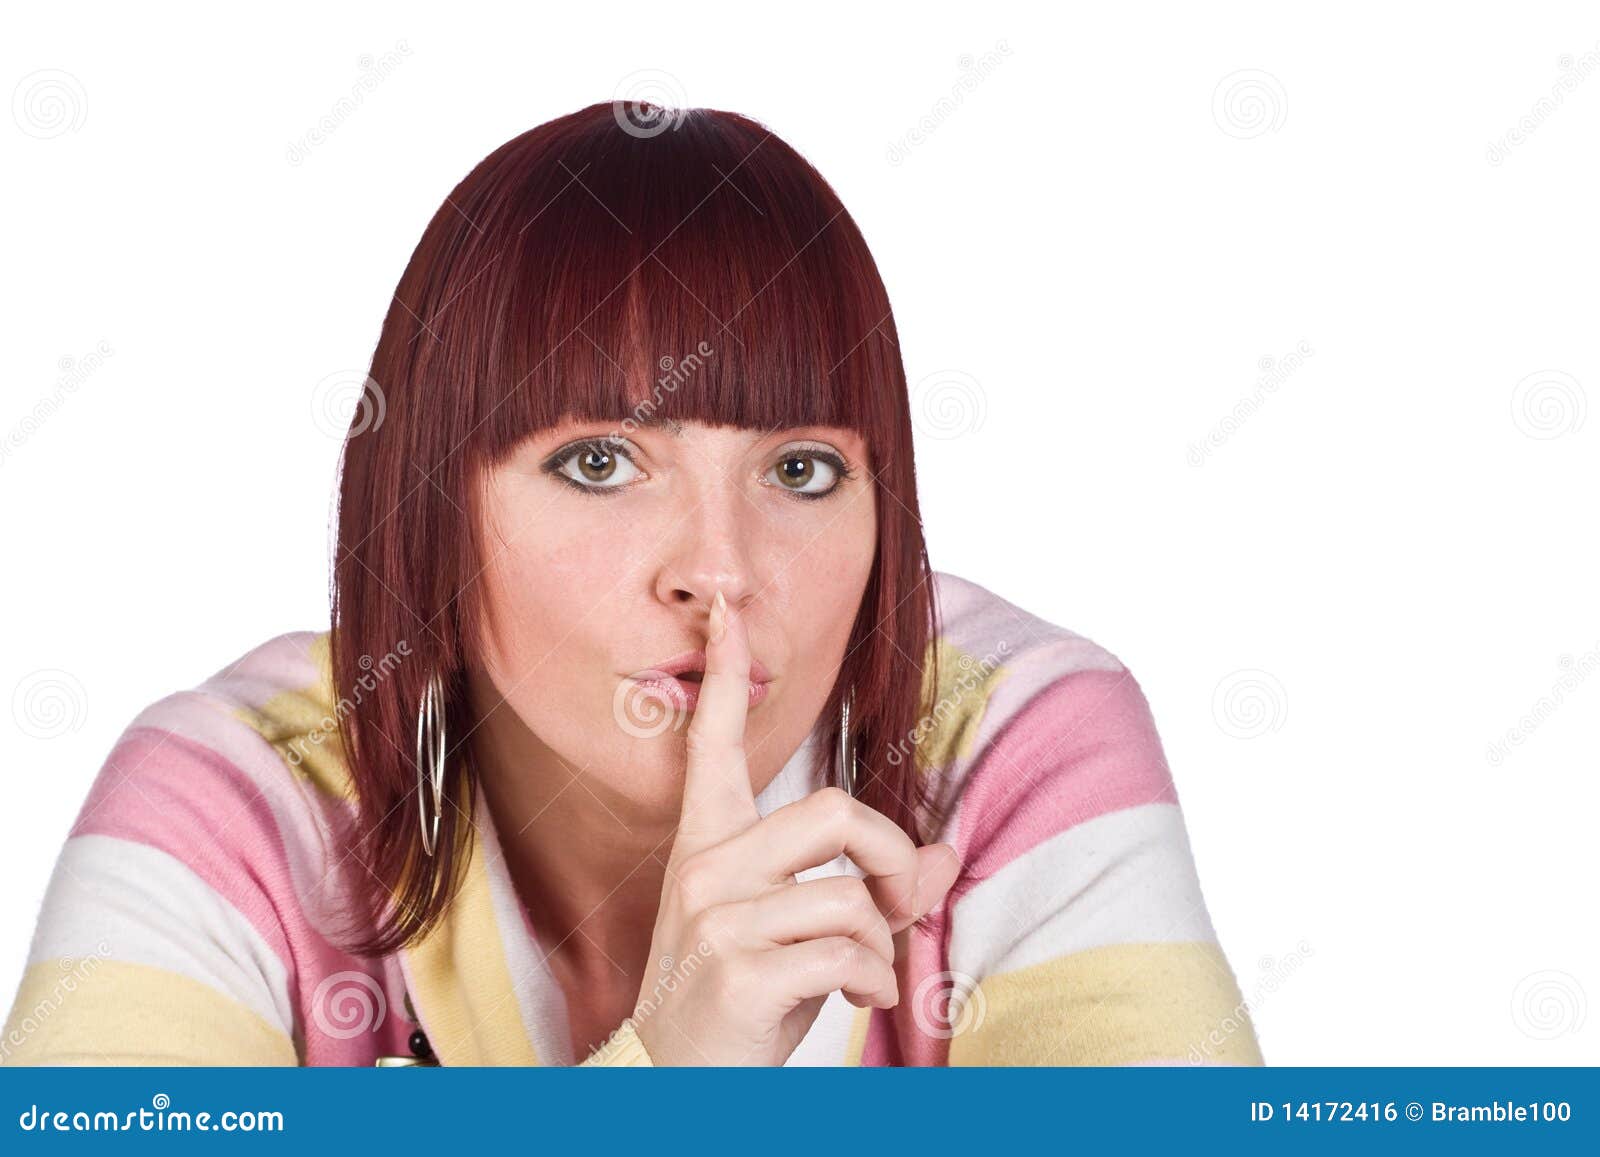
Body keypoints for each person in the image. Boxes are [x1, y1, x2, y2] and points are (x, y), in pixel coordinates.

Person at [1, 102, 1263, 1067]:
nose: (721, 570)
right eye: (600, 461)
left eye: (805, 468)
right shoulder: (237, 797)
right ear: (432, 506)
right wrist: (671, 1078)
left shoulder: (1011, 742)